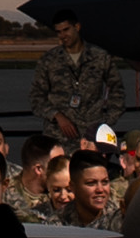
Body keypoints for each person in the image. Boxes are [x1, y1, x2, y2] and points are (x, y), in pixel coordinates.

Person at [34, 18, 126, 151]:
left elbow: (117, 90)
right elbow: (36, 97)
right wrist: (57, 116)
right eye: (59, 32)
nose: (63, 35)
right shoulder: (49, 60)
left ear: (77, 27)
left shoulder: (100, 57)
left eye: (66, 30)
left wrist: (105, 122)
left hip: (91, 138)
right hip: (58, 138)